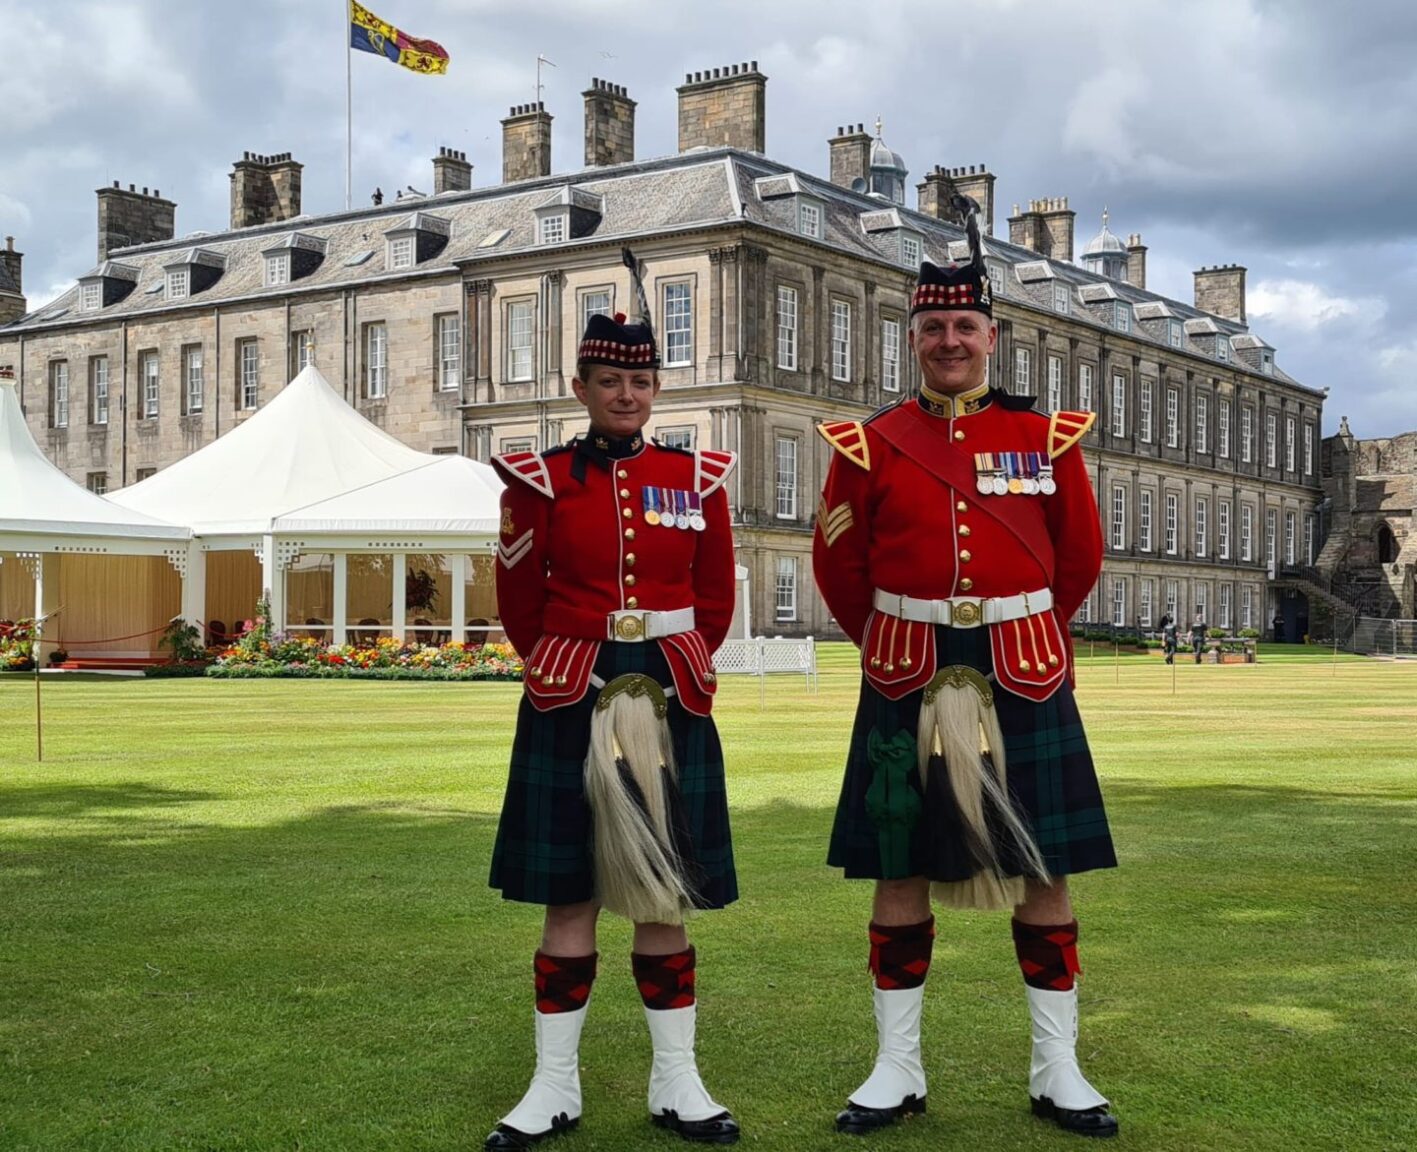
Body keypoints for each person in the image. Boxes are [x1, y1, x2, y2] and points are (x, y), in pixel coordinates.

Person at [813, 230, 1119, 1138]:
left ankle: (1057, 1068)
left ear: (993, 334)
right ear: (912, 338)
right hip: (905, 666)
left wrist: (1020, 624)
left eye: (964, 325)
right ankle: (894, 1069)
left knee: (1045, 866)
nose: (949, 340)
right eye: (933, 325)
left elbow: (1080, 555)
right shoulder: (869, 443)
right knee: (897, 865)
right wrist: (888, 634)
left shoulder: (1043, 436)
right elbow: (838, 564)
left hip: (1021, 670)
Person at [484, 307, 741, 1149]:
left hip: (669, 694)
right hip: (572, 695)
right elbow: (520, 604)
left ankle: (679, 1082)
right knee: (570, 897)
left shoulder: (699, 477)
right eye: (609, 382)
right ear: (580, 388)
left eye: (639, 381)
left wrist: (677, 661)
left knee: (665, 894)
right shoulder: (538, 480)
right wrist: (569, 663)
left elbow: (714, 599)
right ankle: (553, 1087)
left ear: (655, 388)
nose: (625, 395)